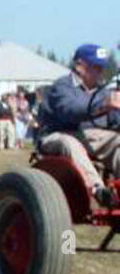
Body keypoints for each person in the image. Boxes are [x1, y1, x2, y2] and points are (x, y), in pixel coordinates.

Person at [38, 43, 120, 207]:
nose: (101, 72)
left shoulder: (102, 92)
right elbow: (70, 111)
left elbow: (114, 122)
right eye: (96, 67)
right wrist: (104, 105)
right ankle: (99, 191)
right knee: (70, 142)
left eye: (102, 67)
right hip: (57, 134)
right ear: (79, 66)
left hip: (89, 136)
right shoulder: (62, 86)